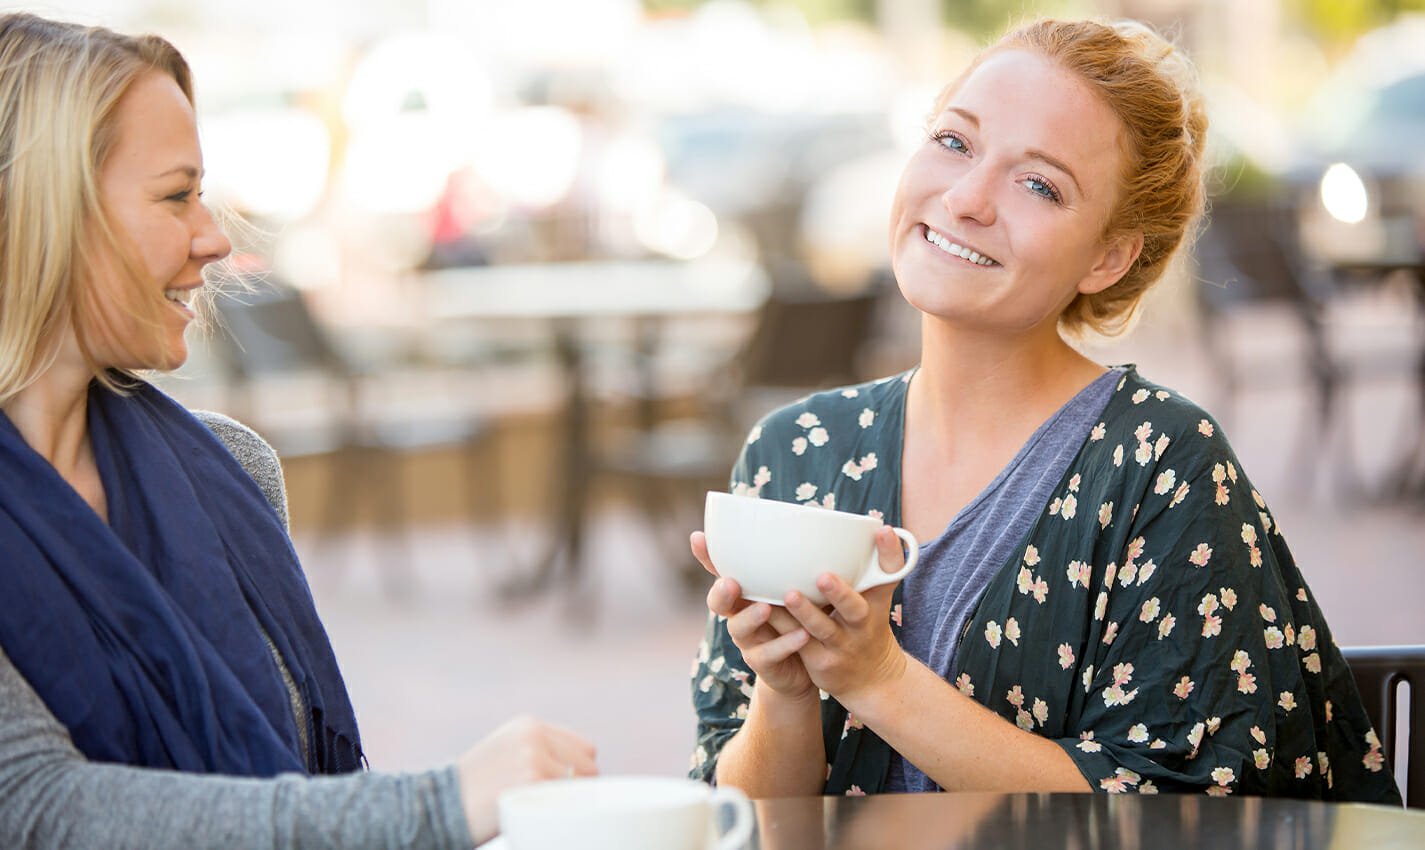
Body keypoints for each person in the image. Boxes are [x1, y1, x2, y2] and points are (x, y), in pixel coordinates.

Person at [688, 17, 1402, 804]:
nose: (963, 199)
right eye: (954, 142)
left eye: (1038, 185)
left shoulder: (1160, 465)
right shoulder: (797, 450)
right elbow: (739, 814)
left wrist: (878, 678)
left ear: (1107, 256)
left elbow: (1176, 814)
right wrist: (785, 695)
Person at [0, 12, 595, 849]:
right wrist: (440, 806)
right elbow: (34, 810)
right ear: (43, 212)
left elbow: (298, 793)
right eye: (177, 196)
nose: (213, 237)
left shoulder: (228, 472)